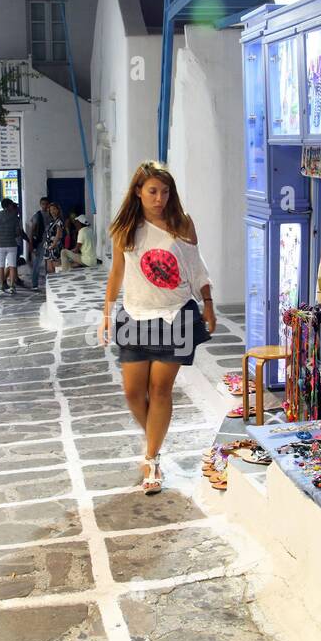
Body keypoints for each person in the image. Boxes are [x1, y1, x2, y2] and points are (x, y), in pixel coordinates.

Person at [99, 162, 215, 495]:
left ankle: (152, 458)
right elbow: (117, 273)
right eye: (152, 191)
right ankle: (154, 436)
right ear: (138, 191)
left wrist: (207, 303)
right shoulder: (126, 226)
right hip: (134, 315)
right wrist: (107, 313)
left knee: (160, 389)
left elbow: (196, 268)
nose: (159, 198)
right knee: (133, 393)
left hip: (176, 314)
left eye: (165, 192)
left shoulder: (181, 223)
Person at [0, 198, 26, 295]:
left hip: (0, 245)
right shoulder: (14, 217)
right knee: (12, 266)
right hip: (12, 245)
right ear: (9, 205)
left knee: (0, 266)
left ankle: (1, 285)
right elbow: (18, 232)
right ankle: (12, 286)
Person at [27, 196, 50, 289]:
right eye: (43, 204)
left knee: (49, 263)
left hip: (50, 242)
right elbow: (32, 230)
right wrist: (31, 243)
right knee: (37, 263)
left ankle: (49, 283)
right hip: (40, 242)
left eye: (46, 204)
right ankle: (34, 284)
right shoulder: (37, 215)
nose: (44, 206)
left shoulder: (51, 214)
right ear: (40, 205)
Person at [42, 202, 66, 278]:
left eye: (54, 209)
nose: (52, 211)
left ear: (58, 210)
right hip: (49, 246)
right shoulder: (51, 222)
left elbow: (58, 235)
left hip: (55, 246)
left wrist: (53, 245)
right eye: (51, 209)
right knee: (49, 269)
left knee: (57, 268)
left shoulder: (59, 222)